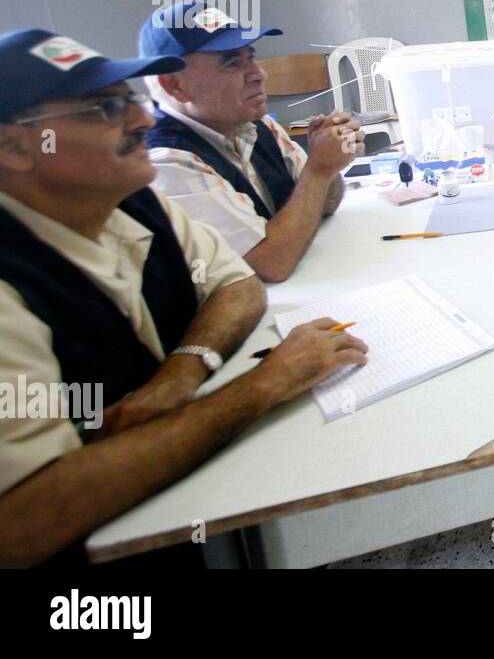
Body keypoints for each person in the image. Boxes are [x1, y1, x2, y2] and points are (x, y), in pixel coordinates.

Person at [0, 29, 368, 566]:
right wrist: (265, 383)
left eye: (130, 100)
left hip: (186, 516)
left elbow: (238, 285)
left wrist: (182, 372)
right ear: (12, 146)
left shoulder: (134, 201)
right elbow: (22, 521)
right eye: (104, 108)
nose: (143, 120)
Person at [139, 0, 362, 282]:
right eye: (232, 64)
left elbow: (324, 205)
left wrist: (327, 168)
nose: (259, 74)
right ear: (175, 85)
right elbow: (271, 264)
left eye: (251, 57)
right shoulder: (165, 161)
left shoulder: (255, 124)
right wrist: (318, 169)